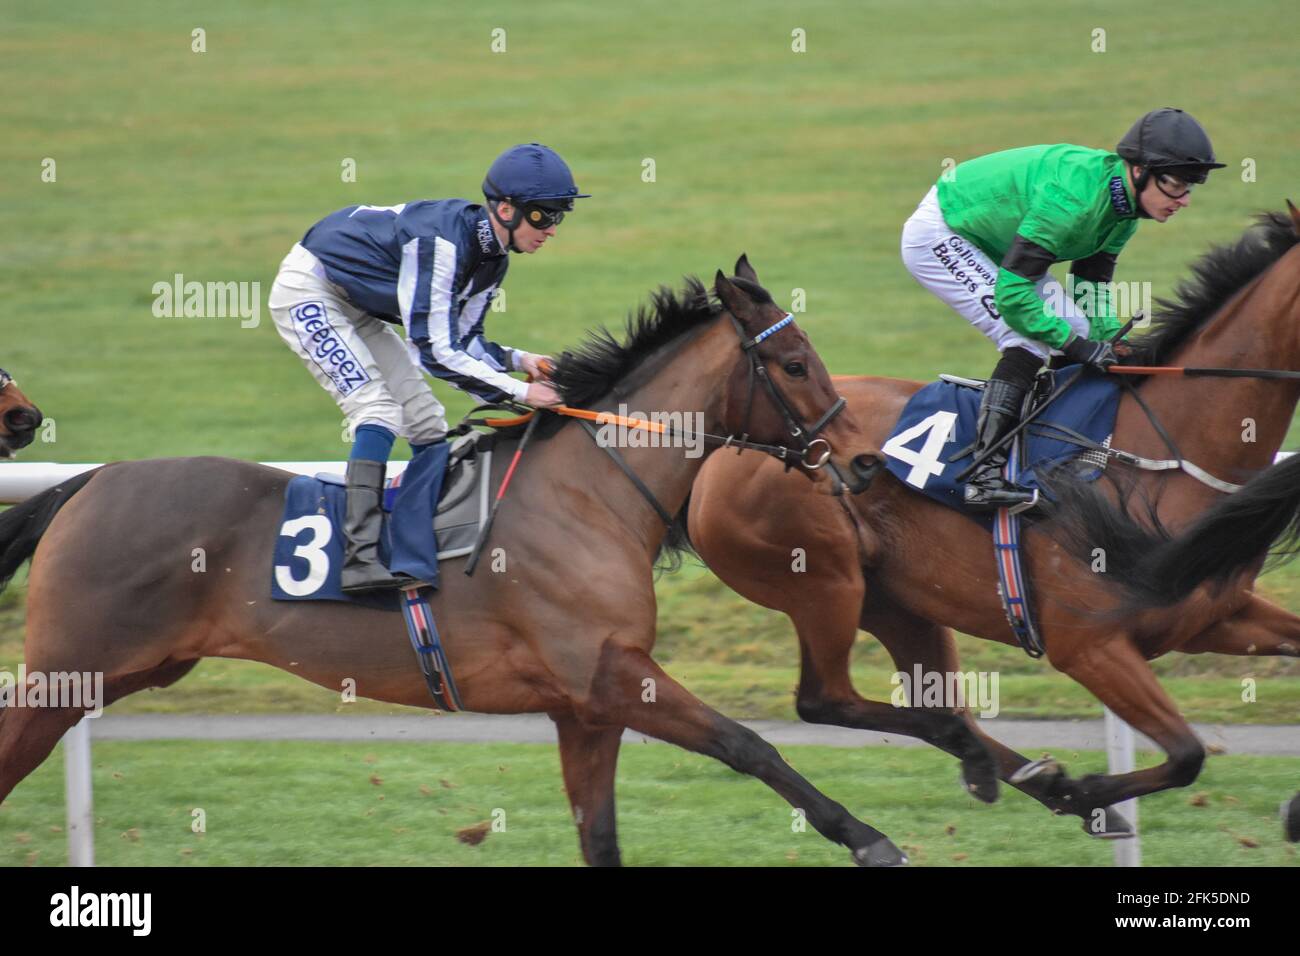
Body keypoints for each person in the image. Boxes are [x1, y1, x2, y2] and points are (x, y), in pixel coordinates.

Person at [269, 143, 589, 590]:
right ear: (504, 208)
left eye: (558, 216)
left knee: (426, 421)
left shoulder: (492, 261)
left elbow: (464, 341)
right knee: (378, 411)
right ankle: (359, 558)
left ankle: (415, 553)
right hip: (310, 290)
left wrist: (521, 361)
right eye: (542, 215)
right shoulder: (441, 247)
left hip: (359, 303)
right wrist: (520, 392)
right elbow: (433, 351)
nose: (551, 229)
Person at [900, 108, 1224, 510]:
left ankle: (1054, 447)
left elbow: (1091, 284)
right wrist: (1078, 348)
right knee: (1027, 333)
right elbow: (1014, 296)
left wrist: (1108, 343)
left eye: (1191, 186)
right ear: (1138, 171)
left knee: (1076, 328)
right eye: (1176, 184)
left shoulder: (1124, 211)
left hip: (995, 244)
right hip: (942, 233)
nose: (1185, 200)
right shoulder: (1073, 201)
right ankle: (982, 474)